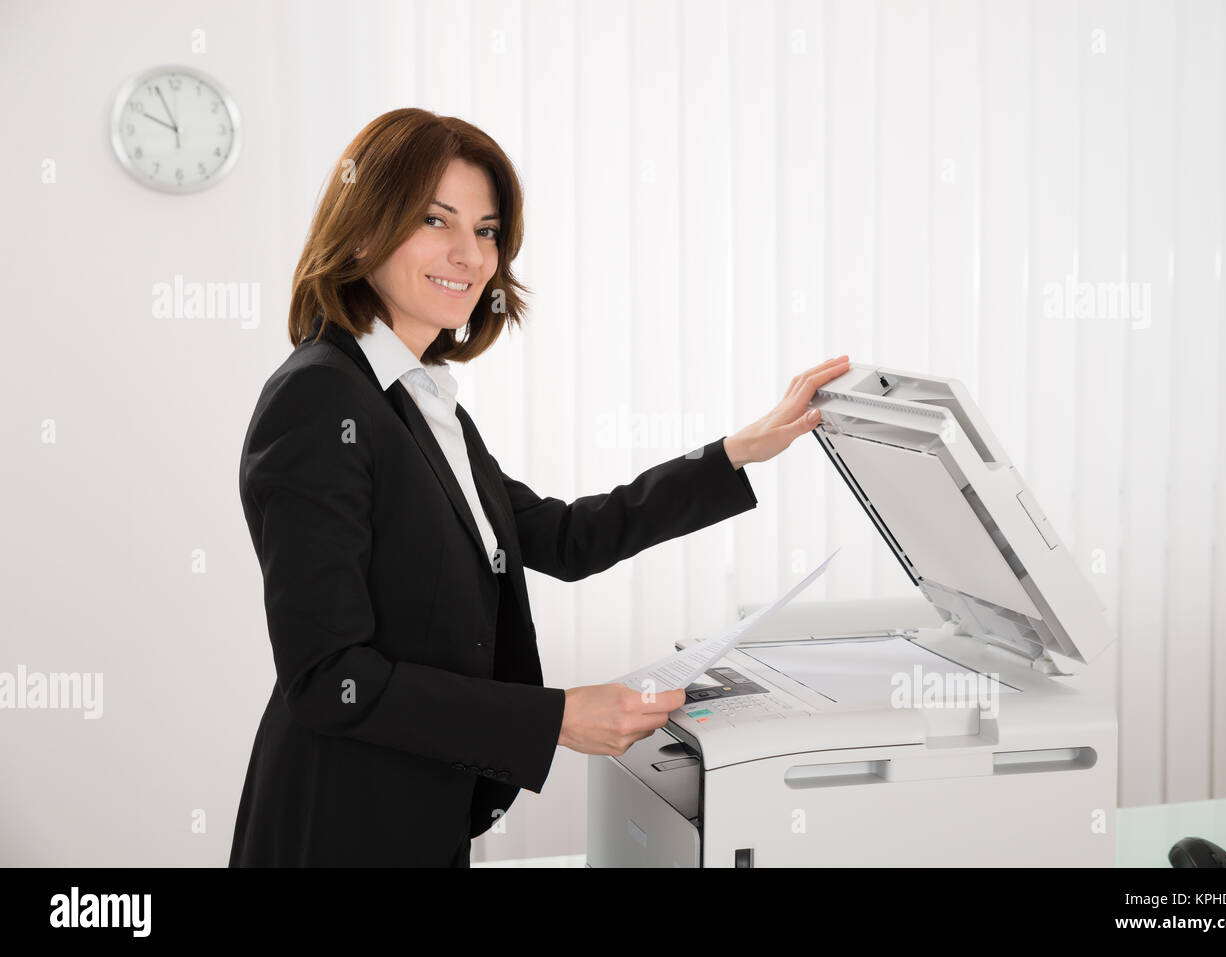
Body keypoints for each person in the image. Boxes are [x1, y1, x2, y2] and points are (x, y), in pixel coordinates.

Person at [228, 108, 850, 867]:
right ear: (363, 230)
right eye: (437, 220)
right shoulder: (321, 400)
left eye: (487, 230)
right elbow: (329, 677)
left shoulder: (413, 398)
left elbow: (559, 536)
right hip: (338, 825)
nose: (469, 254)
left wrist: (735, 453)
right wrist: (556, 717)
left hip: (419, 808)